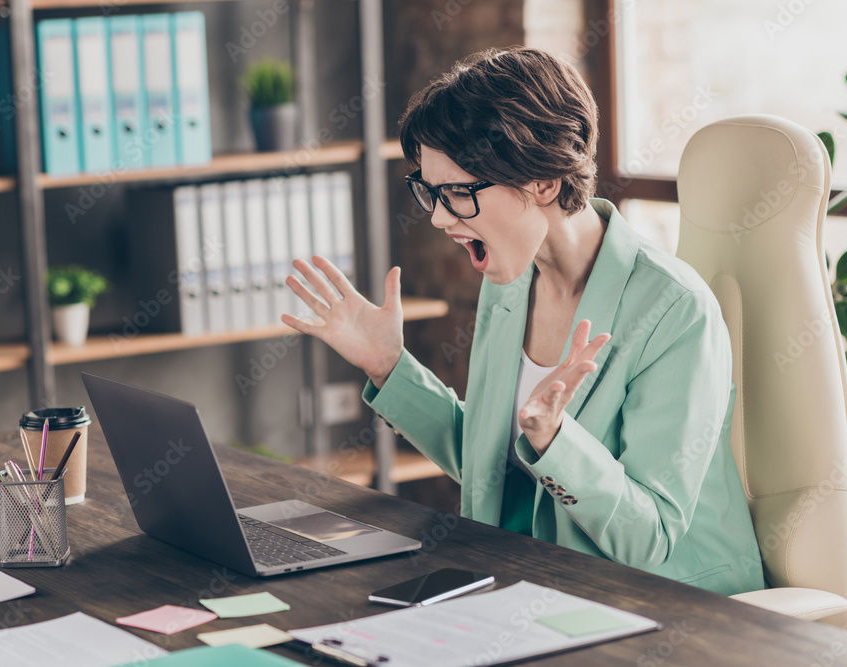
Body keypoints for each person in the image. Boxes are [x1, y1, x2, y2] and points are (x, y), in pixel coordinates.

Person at [282, 47, 764, 595]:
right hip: (534, 583)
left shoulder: (675, 311)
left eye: (459, 193)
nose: (439, 217)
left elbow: (649, 538)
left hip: (671, 605)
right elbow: (490, 468)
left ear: (543, 183)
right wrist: (389, 366)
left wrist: (555, 439)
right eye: (431, 192)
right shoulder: (511, 283)